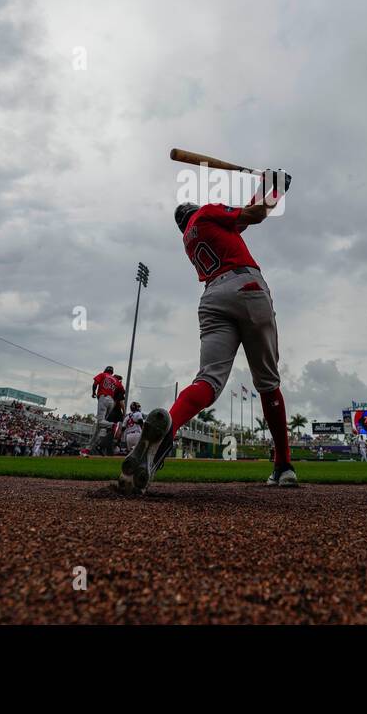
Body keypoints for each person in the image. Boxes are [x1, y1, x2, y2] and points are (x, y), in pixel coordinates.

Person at [119, 169, 295, 494]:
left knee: (208, 381)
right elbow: (253, 215)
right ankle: (283, 466)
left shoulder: (190, 236)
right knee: (268, 384)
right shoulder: (207, 211)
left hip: (212, 297)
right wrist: (276, 190)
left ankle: (163, 439)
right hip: (247, 287)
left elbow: (241, 220)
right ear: (194, 209)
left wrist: (270, 187)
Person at [85, 365, 120, 455]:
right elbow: (121, 390)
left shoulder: (103, 374)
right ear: (112, 372)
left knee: (100, 422)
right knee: (99, 426)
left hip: (103, 398)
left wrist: (93, 393)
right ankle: (88, 449)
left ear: (105, 370)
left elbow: (95, 384)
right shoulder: (115, 380)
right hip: (111, 401)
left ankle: (113, 426)